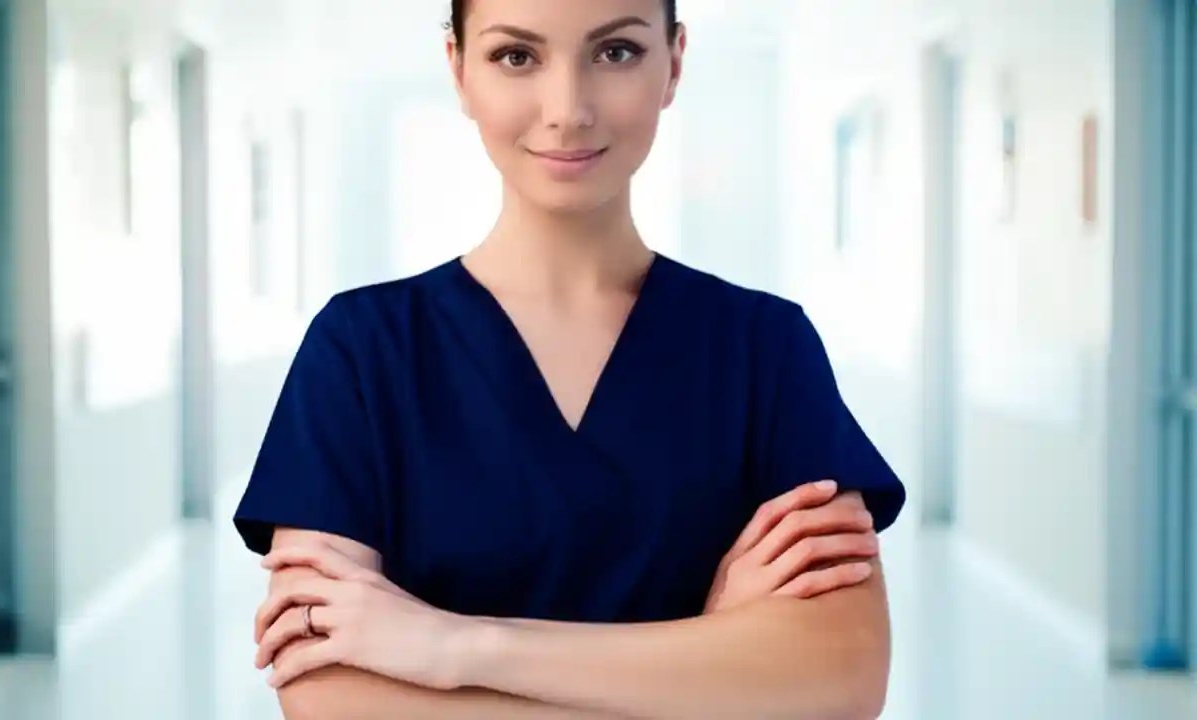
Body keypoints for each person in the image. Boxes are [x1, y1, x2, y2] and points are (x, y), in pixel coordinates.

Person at [234, 0, 906, 716]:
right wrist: (714, 660)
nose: (568, 110)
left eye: (614, 53)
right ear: (459, 70)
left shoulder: (766, 348)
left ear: (673, 63)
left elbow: (842, 677)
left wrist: (455, 646)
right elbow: (329, 695)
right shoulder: (360, 351)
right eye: (516, 57)